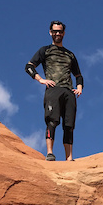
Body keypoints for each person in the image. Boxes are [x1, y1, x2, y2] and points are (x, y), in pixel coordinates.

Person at [25, 20, 83, 162]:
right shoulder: (45, 50)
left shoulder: (70, 54)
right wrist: (41, 80)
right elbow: (29, 66)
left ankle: (69, 158)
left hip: (68, 91)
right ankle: (50, 153)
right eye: (55, 31)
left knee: (69, 125)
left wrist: (79, 87)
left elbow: (78, 75)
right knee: (52, 120)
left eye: (60, 31)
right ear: (50, 32)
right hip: (53, 89)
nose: (58, 33)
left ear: (64, 33)